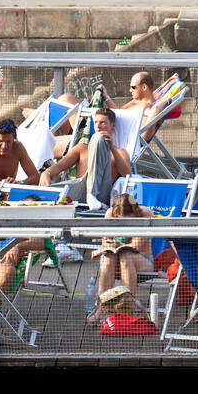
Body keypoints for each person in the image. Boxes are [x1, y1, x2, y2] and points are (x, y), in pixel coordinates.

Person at [39, 106, 129, 208]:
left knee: (98, 138)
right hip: (81, 189)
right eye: (95, 122)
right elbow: (59, 166)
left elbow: (127, 175)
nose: (98, 126)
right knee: (41, 195)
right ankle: (89, 195)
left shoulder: (120, 152)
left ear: (113, 126)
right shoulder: (82, 148)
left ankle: (92, 194)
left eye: (103, 122)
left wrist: (111, 148)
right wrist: (46, 173)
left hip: (102, 194)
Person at [88, 193, 155, 323]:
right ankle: (101, 308)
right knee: (108, 257)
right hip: (117, 261)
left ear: (134, 213)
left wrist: (117, 243)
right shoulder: (110, 213)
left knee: (126, 255)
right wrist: (108, 246)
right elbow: (105, 240)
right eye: (120, 220)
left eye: (128, 220)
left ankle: (128, 309)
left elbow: (136, 246)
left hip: (142, 260)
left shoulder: (145, 214)